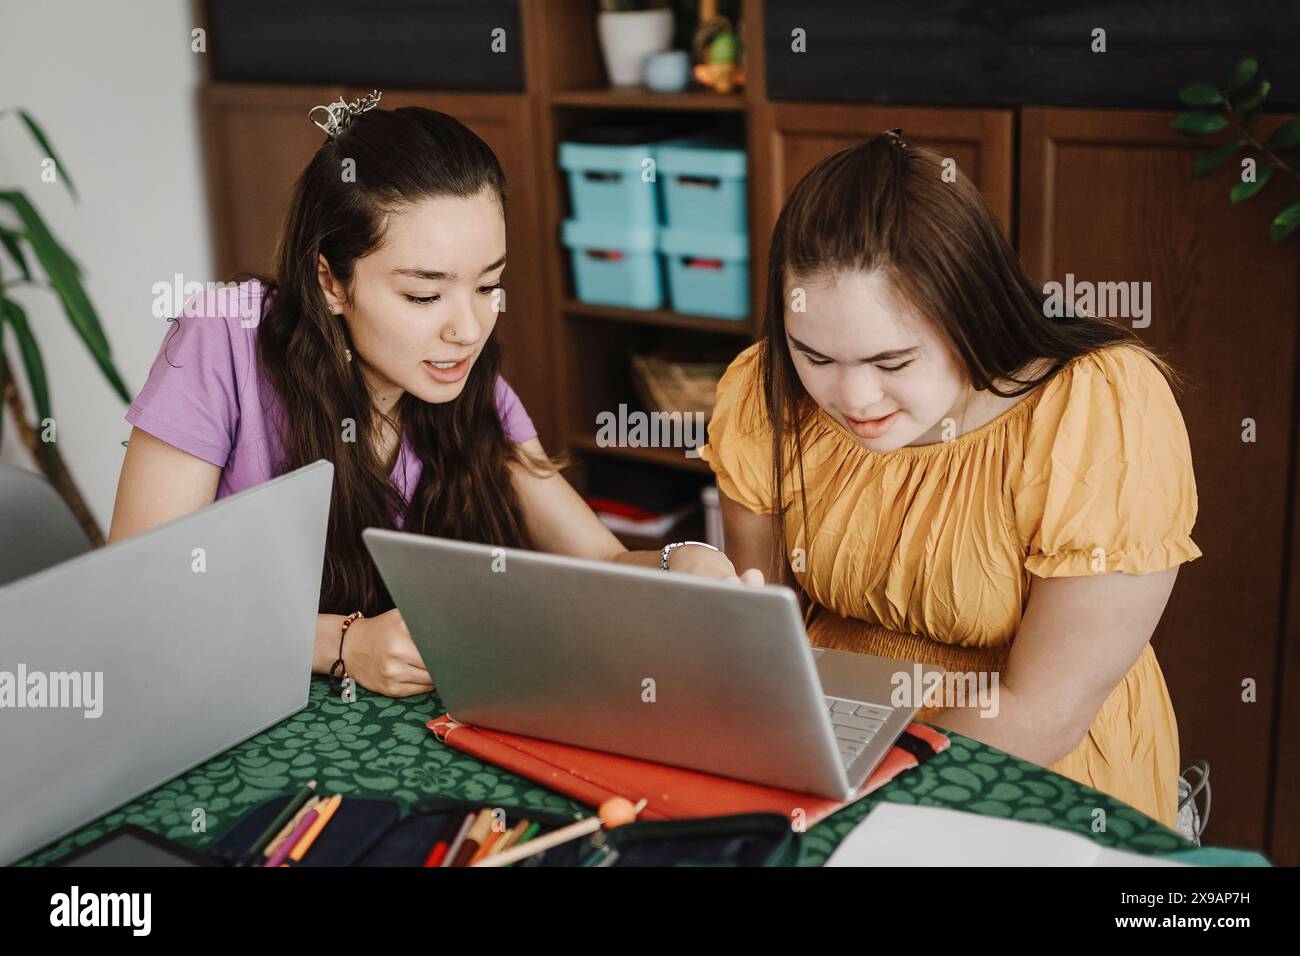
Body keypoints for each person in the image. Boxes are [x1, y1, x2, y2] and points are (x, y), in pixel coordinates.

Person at [110, 98, 747, 699]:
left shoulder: (468, 386)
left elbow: (602, 557)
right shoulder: (224, 340)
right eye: (424, 296)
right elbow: (141, 591)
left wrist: (677, 569)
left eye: (488, 285)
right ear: (329, 279)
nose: (467, 329)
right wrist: (342, 642)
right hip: (230, 708)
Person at [699, 130, 1201, 828]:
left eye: (893, 362)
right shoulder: (766, 388)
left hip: (1018, 763)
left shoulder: (1097, 404)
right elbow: (763, 646)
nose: (855, 399)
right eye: (815, 354)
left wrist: (861, 800)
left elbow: (1044, 711)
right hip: (826, 742)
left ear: (973, 313)